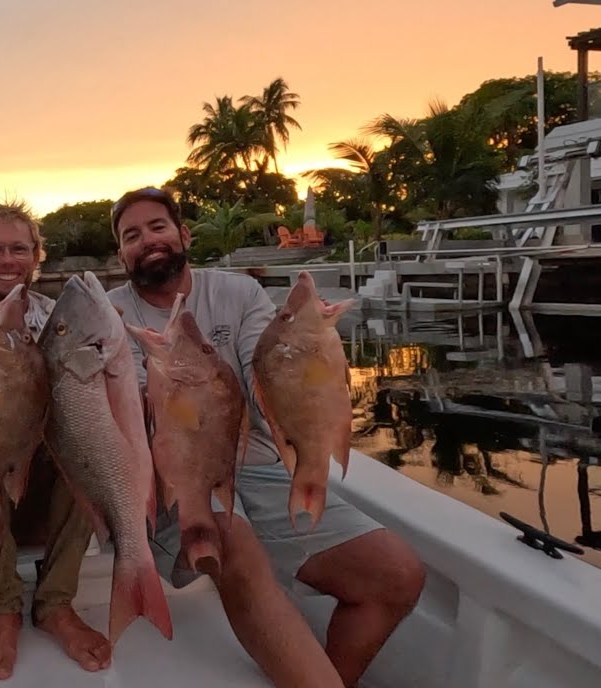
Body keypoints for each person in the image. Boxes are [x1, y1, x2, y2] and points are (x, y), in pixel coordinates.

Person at [105, 186, 427, 688]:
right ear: (121, 253)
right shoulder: (110, 317)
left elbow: (268, 376)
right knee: (234, 544)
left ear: (183, 234)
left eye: (157, 227)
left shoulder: (238, 293)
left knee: (397, 575)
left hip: (259, 468)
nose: (147, 240)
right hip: (172, 483)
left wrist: (307, 367)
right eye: (131, 235)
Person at [0, 198, 112, 682]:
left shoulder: (69, 322)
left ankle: (55, 603)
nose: (7, 260)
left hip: (50, 495)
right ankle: (3, 607)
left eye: (19, 248)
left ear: (37, 255)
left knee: (88, 452)